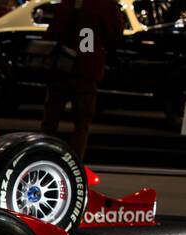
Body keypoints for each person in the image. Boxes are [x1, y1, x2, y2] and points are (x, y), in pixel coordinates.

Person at [40, 0, 124, 161]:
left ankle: (42, 157)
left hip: (61, 68)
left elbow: (53, 32)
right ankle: (75, 164)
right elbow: (114, 35)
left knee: (50, 122)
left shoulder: (67, 3)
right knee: (81, 125)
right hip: (86, 70)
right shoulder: (104, 4)